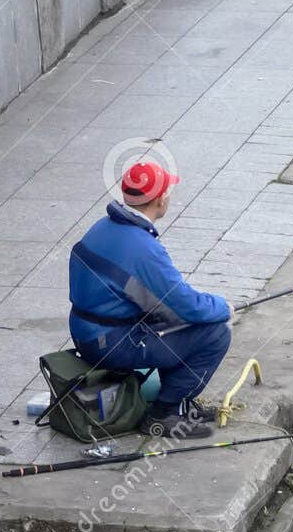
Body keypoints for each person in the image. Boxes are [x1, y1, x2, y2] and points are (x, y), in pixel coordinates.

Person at [68, 160, 232, 440]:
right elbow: (188, 305)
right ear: (160, 200)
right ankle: (162, 414)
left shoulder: (103, 226)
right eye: (168, 192)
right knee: (215, 334)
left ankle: (177, 403)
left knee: (175, 321)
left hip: (87, 331)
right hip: (110, 343)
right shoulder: (143, 249)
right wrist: (222, 307)